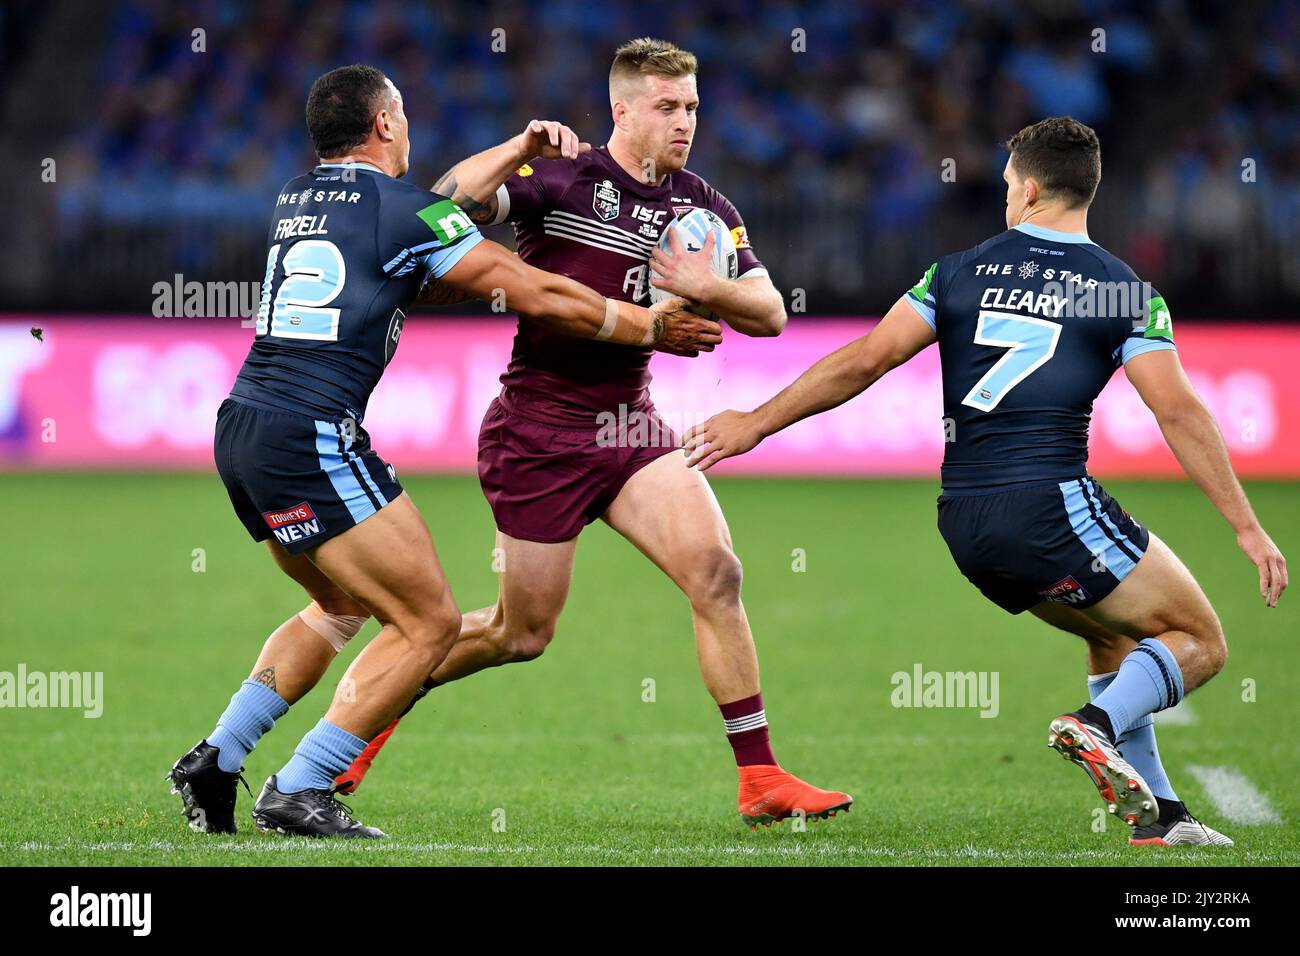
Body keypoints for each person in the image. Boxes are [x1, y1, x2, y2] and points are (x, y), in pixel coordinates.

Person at [679, 116, 1287, 846]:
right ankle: (1093, 725)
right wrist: (1247, 527)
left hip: (966, 524)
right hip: (1050, 507)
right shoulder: (1120, 290)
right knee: (1201, 639)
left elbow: (864, 360)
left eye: (1005, 186)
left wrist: (757, 421)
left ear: (1029, 190)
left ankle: (1160, 818)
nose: (1004, 197)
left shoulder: (957, 270)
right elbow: (1179, 412)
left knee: (1111, 635)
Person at [167, 63, 714, 839]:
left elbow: (434, 233)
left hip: (244, 428)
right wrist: (647, 326)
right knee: (429, 622)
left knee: (341, 603)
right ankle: (302, 786)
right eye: (406, 116)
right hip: (311, 434)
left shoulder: (299, 199)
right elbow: (534, 290)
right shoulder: (397, 210)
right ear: (387, 124)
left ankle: (218, 757)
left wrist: (519, 148)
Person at [337, 39, 852, 829]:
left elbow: (772, 313)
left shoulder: (706, 208)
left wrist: (705, 285)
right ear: (622, 110)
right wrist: (517, 145)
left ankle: (761, 779)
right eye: (666, 107)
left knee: (716, 573)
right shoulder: (562, 177)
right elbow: (445, 203)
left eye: (692, 109)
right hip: (537, 431)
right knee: (522, 633)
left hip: (632, 425)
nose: (684, 124)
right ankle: (375, 712)